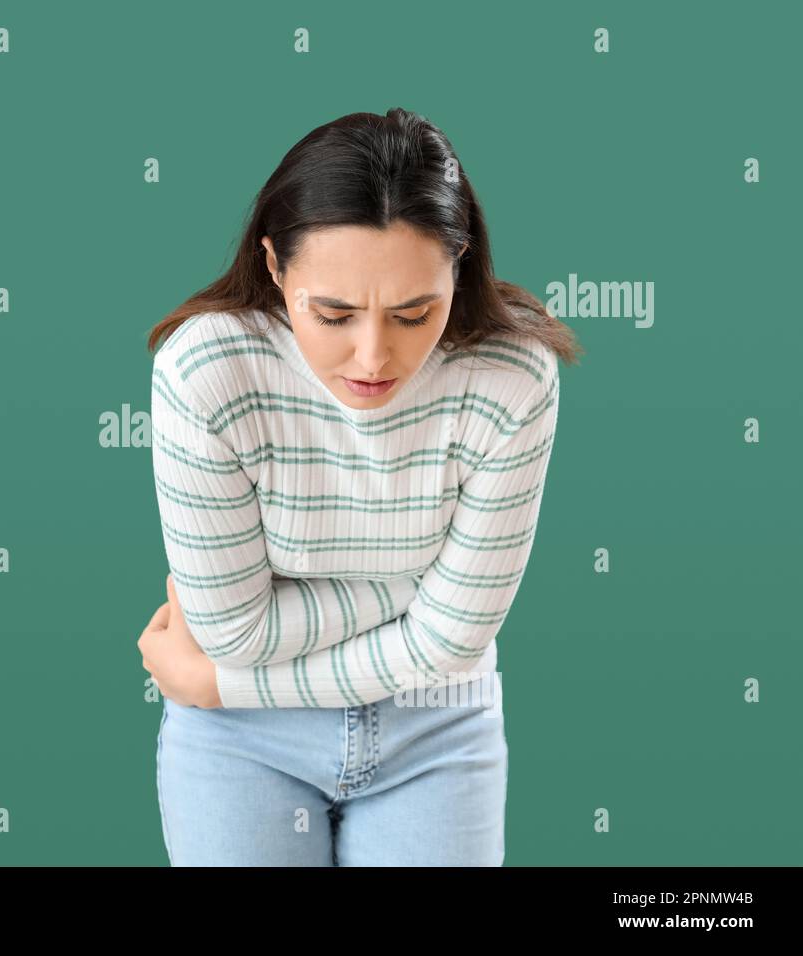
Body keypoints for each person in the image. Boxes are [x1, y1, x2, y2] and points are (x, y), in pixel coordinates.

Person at [137, 108, 583, 866]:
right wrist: (426, 589)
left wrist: (224, 683)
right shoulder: (205, 372)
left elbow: (452, 645)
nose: (372, 357)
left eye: (415, 313)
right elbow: (233, 634)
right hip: (241, 744)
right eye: (333, 313)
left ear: (460, 265)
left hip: (435, 725)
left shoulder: (512, 379)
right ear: (275, 265)